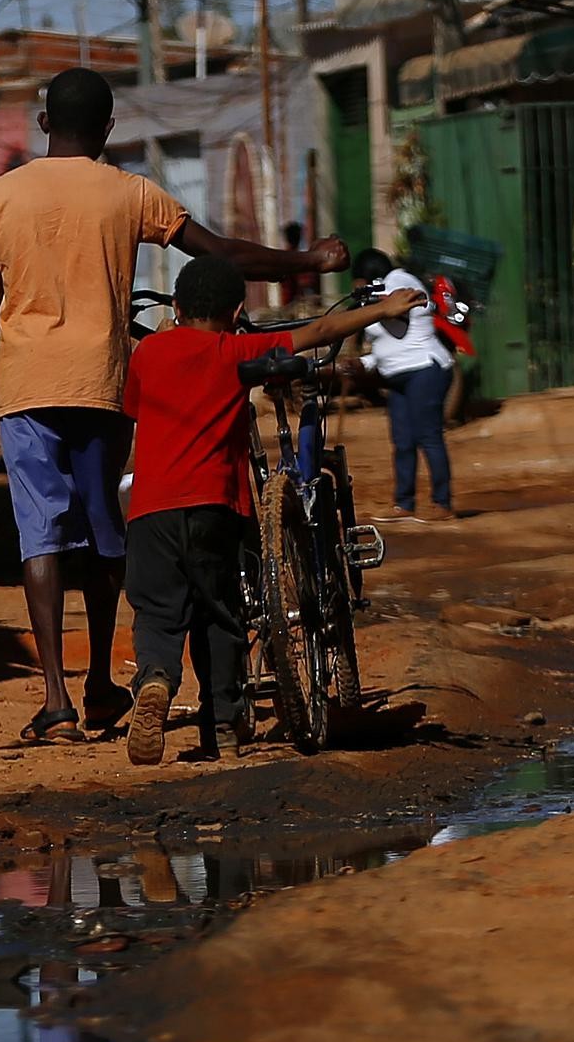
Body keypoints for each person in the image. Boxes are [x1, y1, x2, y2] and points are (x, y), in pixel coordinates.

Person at [0, 68, 344, 744]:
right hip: (103, 382)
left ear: (45, 123)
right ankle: (101, 684)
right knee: (103, 532)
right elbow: (219, 255)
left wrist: (31, 337)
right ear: (109, 129)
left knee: (41, 537)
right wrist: (307, 260)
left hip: (26, 389)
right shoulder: (130, 192)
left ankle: (56, 704)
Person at [115, 255, 397, 765]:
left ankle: (155, 679)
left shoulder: (148, 353)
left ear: (176, 306)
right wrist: (384, 308)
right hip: (215, 506)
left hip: (151, 511)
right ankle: (224, 726)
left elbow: (132, 410)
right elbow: (320, 331)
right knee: (219, 614)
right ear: (236, 312)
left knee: (156, 614)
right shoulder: (235, 350)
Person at [352, 246, 459, 521]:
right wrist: (362, 363)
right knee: (402, 441)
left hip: (424, 369)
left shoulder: (399, 280)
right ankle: (404, 503)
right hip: (398, 378)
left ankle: (442, 503)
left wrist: (368, 298)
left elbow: (400, 305)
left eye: (359, 281)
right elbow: (385, 348)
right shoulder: (373, 300)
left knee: (428, 435)